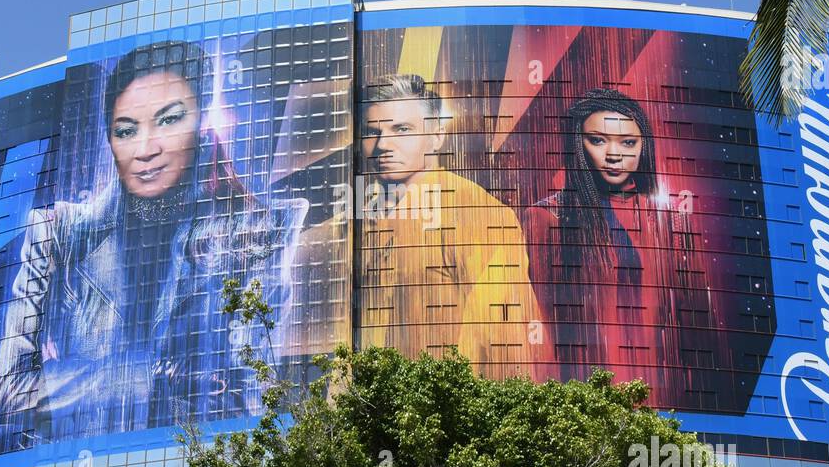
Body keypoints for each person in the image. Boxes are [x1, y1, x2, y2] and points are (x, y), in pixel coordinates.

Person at [0, 40, 304, 445]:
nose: (145, 149)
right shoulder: (58, 235)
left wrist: (68, 375)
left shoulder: (258, 230)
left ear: (200, 123)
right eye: (126, 130)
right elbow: (11, 395)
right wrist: (154, 374)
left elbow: (247, 399)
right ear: (110, 139)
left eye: (169, 120)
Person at [293, 73, 543, 378]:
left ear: (436, 136)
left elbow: (503, 338)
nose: (383, 145)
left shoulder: (476, 212)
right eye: (373, 132)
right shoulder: (352, 222)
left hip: (449, 411)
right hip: (370, 413)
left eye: (401, 129)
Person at [522, 87, 727, 407]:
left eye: (628, 142)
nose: (614, 154)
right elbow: (544, 321)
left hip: (659, 400)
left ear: (644, 146)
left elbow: (696, 322)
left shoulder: (667, 220)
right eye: (599, 140)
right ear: (577, 144)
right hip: (582, 400)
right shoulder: (547, 217)